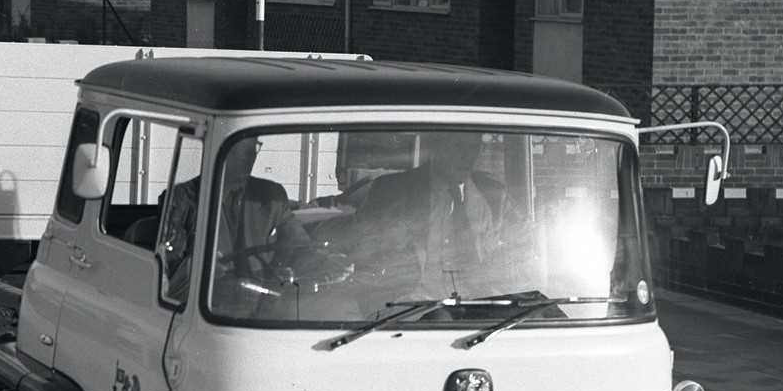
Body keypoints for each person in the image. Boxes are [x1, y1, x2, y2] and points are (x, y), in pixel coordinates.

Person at [145, 139, 320, 306]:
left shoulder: (270, 196)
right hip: (208, 310)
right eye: (242, 149)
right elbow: (171, 269)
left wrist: (288, 269)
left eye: (254, 147)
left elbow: (301, 248)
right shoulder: (181, 199)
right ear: (218, 150)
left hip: (266, 306)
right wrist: (207, 271)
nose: (250, 156)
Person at [346, 130, 510, 295]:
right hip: (410, 310)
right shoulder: (391, 191)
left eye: (474, 147)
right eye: (457, 146)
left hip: (480, 309)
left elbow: (520, 248)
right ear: (436, 146)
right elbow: (363, 259)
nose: (467, 156)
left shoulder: (493, 195)